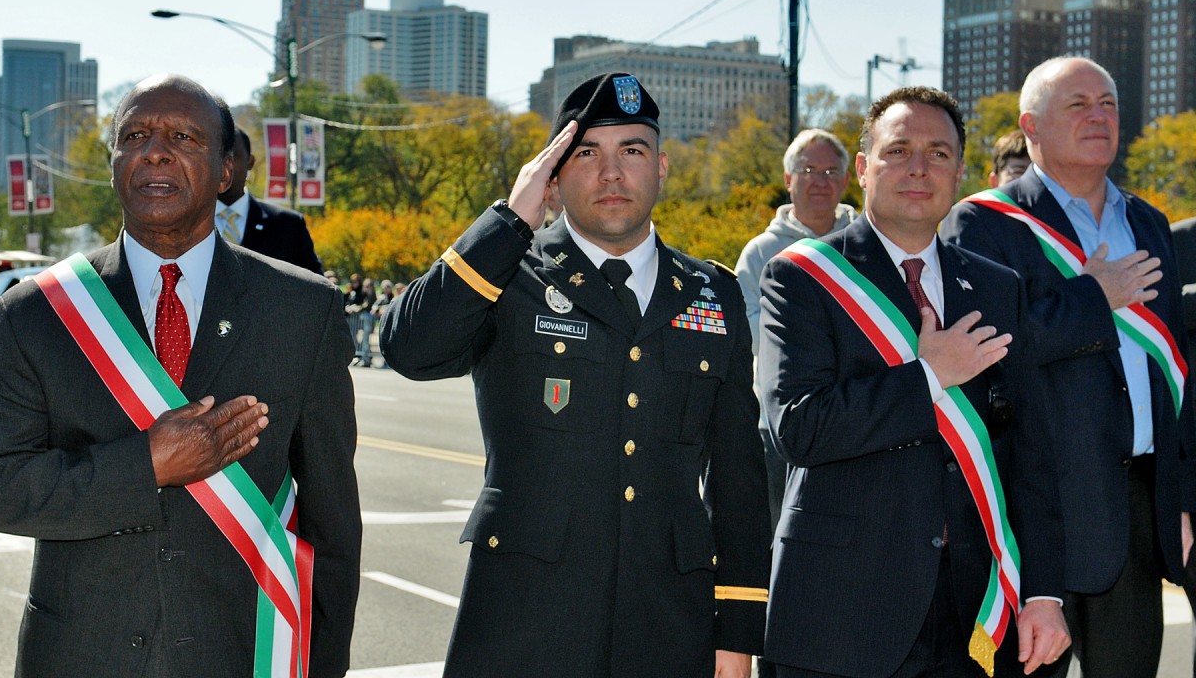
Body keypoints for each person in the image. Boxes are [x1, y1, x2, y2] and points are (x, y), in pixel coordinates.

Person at [382, 72, 770, 678]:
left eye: (632, 151)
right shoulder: (509, 273)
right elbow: (411, 349)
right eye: (586, 153)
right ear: (554, 175)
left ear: (662, 168)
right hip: (524, 623)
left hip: (670, 624)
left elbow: (740, 478)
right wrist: (511, 219)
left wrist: (737, 633)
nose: (611, 173)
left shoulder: (712, 293)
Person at [0, 74, 361, 677]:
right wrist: (147, 466)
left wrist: (324, 664)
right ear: (114, 165)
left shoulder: (302, 310)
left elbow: (332, 519)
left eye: (184, 136)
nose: (155, 150)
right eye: (135, 135)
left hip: (246, 652)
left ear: (226, 172)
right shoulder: (34, 314)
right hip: (81, 656)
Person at [759, 86, 1069, 677]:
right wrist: (928, 376)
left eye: (938, 153)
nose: (919, 168)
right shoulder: (801, 276)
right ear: (863, 168)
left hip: (975, 610)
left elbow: (1031, 453)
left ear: (960, 173)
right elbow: (799, 428)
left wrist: (1045, 593)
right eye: (898, 151)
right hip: (843, 611)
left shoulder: (999, 286)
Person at [941, 56, 1195, 678]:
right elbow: (987, 351)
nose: (1099, 116)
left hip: (1137, 506)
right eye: (1077, 105)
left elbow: (1175, 377)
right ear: (1030, 125)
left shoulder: (1149, 222)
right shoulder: (982, 222)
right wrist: (1092, 298)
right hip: (1034, 503)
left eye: (1108, 104)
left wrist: (1181, 498)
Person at [734, 128, 856, 535]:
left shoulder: (867, 245)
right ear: (788, 180)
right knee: (782, 533)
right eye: (807, 169)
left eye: (830, 170)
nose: (820, 180)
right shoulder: (760, 253)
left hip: (857, 415)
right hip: (781, 423)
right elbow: (748, 327)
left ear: (846, 179)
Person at [215, 126, 324, 274]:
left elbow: (316, 290)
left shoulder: (289, 226)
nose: (225, 167)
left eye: (233, 157)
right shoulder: (183, 223)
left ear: (250, 162)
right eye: (217, 156)